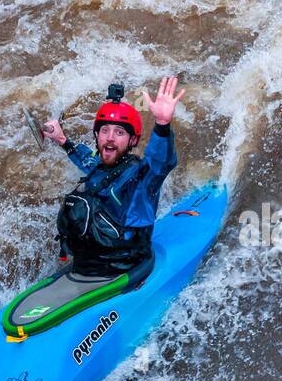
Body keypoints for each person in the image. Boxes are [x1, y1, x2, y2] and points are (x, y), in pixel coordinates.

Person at [41, 76, 183, 277]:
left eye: (119, 133)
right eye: (104, 130)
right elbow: (87, 160)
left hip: (124, 266)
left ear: (132, 139)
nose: (109, 137)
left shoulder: (141, 178)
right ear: (97, 136)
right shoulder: (99, 167)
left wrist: (162, 125)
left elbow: (160, 162)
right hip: (87, 263)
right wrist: (62, 139)